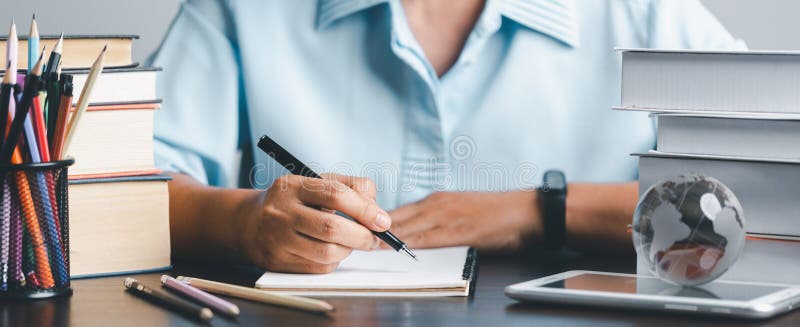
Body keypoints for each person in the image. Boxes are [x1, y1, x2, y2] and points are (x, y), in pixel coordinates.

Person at [150, 0, 742, 273]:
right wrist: (244, 221)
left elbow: (773, 191)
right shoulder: (240, 10)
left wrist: (541, 212)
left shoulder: (647, 13)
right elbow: (119, 185)